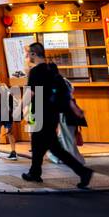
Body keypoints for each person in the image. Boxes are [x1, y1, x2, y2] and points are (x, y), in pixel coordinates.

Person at [21, 42, 94, 188]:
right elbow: (65, 92)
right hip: (52, 114)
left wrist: (17, 111)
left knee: (54, 148)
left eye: (27, 54)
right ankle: (34, 172)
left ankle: (83, 172)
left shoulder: (36, 72)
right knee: (39, 144)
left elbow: (31, 93)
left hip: (41, 113)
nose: (26, 57)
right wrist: (75, 109)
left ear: (34, 54)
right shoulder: (52, 70)